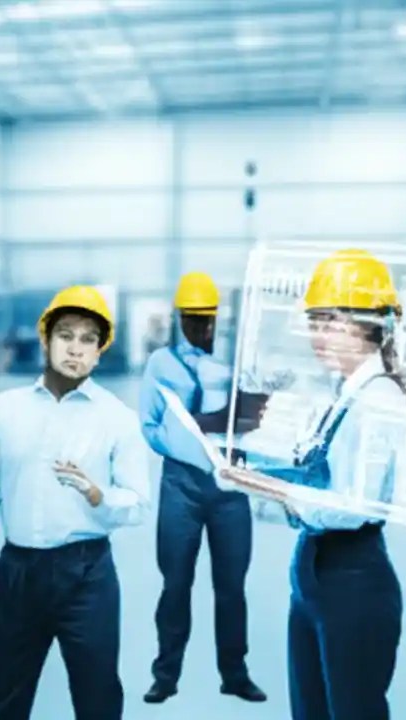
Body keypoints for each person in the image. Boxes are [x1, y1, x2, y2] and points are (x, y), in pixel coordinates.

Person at [219, 249, 406, 720]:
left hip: (354, 579)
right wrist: (254, 475)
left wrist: (273, 490)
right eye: (313, 322)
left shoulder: (379, 399)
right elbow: (318, 478)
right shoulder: (344, 394)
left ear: (369, 325)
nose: (316, 336)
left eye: (330, 323)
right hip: (315, 575)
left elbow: (351, 505)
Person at [0, 285, 150, 720]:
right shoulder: (3, 413)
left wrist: (99, 494)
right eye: (66, 335)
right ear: (46, 339)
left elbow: (138, 503)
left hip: (88, 576)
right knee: (2, 696)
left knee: (98, 697)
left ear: (100, 352)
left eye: (88, 340)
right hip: (18, 573)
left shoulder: (118, 420)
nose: (75, 349)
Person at [139, 271, 267, 704]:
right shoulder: (161, 364)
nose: (203, 327)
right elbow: (148, 423)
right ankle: (166, 675)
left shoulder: (236, 362)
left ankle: (235, 673)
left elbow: (255, 419)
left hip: (229, 488)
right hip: (181, 487)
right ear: (180, 318)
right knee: (175, 583)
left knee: (232, 586)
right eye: (194, 319)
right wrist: (178, 448)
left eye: (208, 319)